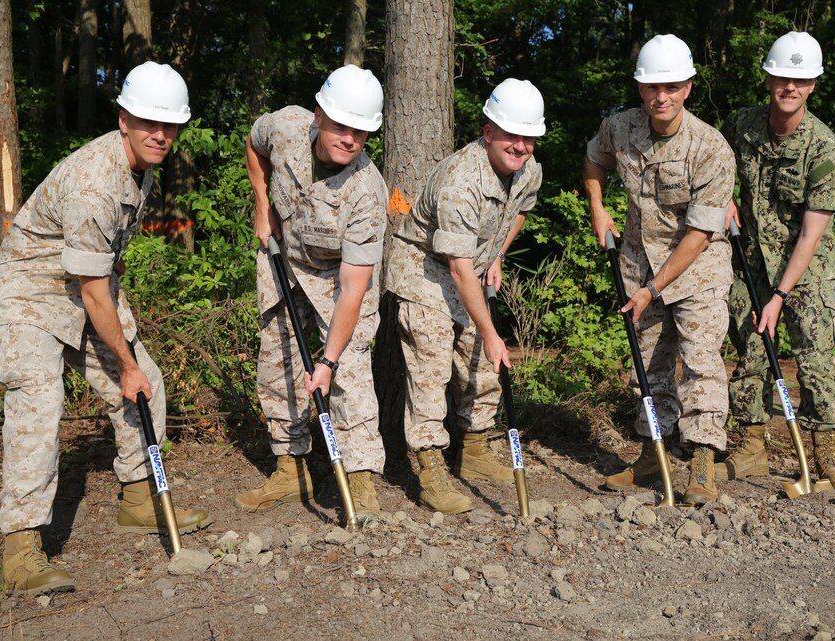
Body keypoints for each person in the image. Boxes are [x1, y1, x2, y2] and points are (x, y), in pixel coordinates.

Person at [0, 62, 211, 596]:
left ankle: (137, 499)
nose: (160, 134)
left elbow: (97, 271)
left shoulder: (142, 165)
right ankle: (20, 551)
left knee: (145, 386)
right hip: (29, 290)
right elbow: (90, 287)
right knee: (39, 400)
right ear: (123, 120)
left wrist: (132, 368)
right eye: (147, 122)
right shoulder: (95, 182)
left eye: (169, 125)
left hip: (84, 282)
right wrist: (123, 365)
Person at [583, 34, 736, 505]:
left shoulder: (711, 149)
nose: (661, 96)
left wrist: (653, 288)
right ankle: (653, 454)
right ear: (640, 89)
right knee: (647, 366)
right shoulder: (620, 128)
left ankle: (704, 463)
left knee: (701, 362)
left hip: (698, 272)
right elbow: (593, 159)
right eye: (652, 87)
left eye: (671, 87)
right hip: (636, 265)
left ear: (688, 87)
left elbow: (700, 235)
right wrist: (597, 207)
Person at [385, 78, 545, 514]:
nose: (521, 146)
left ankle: (472, 450)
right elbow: (455, 267)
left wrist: (496, 253)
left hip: (470, 266)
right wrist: (492, 332)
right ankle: (430, 467)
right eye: (512, 135)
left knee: (480, 363)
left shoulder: (528, 169)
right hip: (424, 268)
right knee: (432, 366)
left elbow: (521, 211)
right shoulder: (461, 179)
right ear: (489, 131)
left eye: (529, 137)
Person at [236, 65, 389, 521]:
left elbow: (353, 289)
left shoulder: (367, 190)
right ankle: (290, 468)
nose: (351, 139)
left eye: (362, 132)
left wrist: (327, 361)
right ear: (319, 114)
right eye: (342, 126)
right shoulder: (284, 126)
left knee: (351, 371)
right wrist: (264, 209)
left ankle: (359, 481)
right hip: (282, 256)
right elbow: (253, 145)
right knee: (277, 360)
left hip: (337, 277)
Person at [715, 32, 835, 489]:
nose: (790, 87)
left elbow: (813, 233)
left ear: (813, 85)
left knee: (814, 362)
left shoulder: (826, 149)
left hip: (806, 271)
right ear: (769, 78)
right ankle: (752, 447)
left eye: (801, 79)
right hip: (752, 261)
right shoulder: (741, 125)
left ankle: (827, 455)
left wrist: (779, 295)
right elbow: (713, 167)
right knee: (751, 353)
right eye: (782, 77)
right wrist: (724, 200)